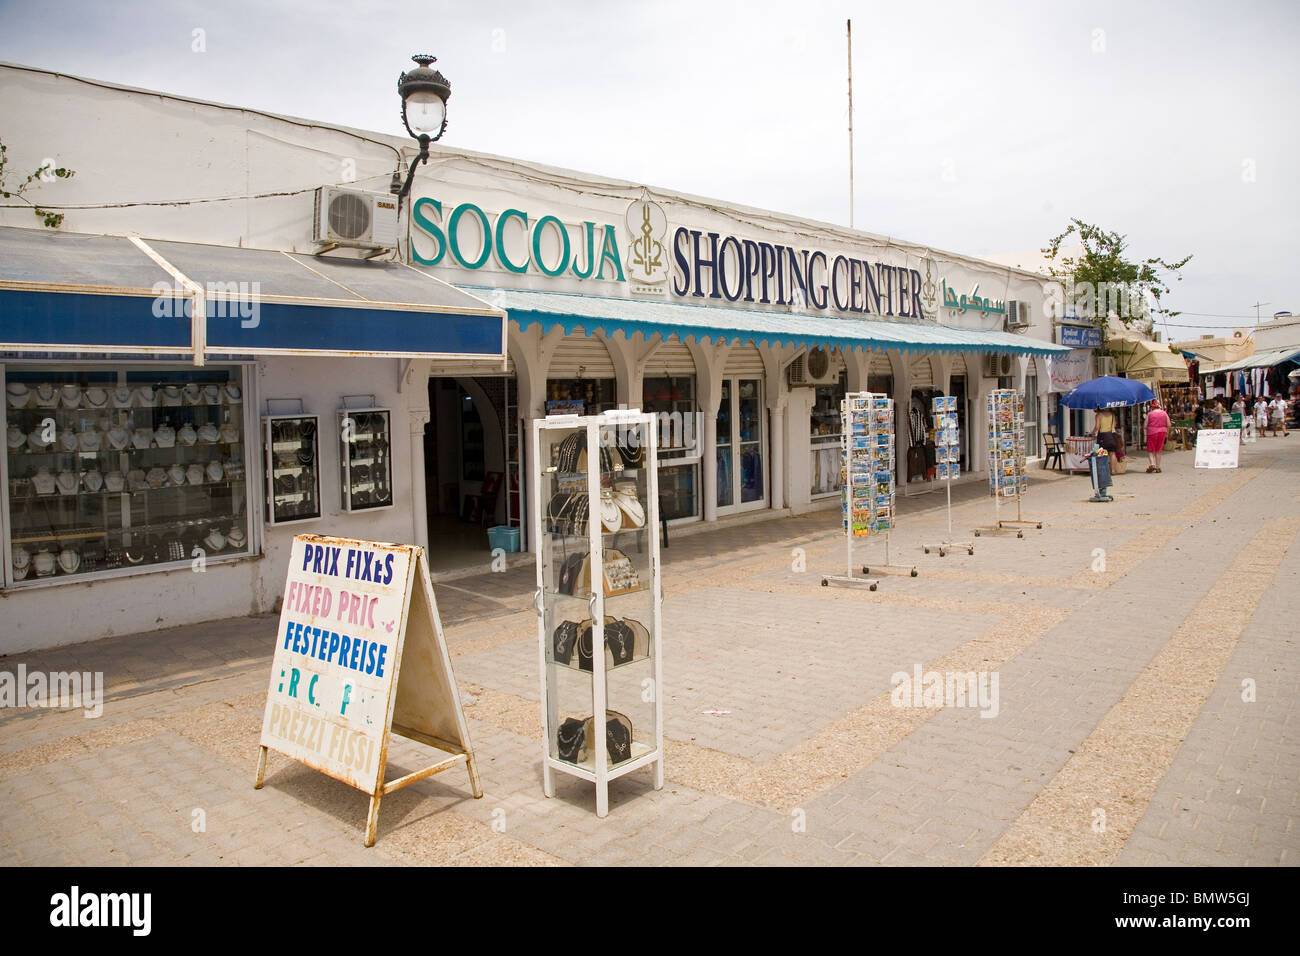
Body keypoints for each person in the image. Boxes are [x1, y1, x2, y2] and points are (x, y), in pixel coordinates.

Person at [1145, 400, 1170, 473]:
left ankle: (1152, 464)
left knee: (1151, 450)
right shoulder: (1164, 413)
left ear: (1152, 406)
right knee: (1158, 450)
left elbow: (1145, 425)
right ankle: (1158, 467)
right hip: (1162, 432)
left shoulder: (1150, 414)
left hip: (1152, 432)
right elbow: (1169, 424)